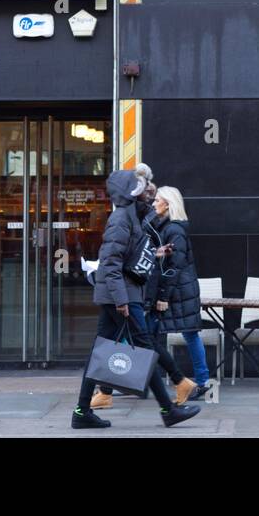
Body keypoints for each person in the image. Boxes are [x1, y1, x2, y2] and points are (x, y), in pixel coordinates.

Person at [72, 168, 200, 430]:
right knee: (146, 349)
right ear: (130, 194)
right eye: (140, 188)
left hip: (121, 295)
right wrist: (122, 302)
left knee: (102, 353)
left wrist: (155, 253)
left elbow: (129, 254)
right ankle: (168, 410)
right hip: (122, 297)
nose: (146, 191)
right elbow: (110, 264)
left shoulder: (131, 216)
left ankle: (81, 412)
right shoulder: (121, 219)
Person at [153, 185, 209, 400]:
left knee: (184, 334)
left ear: (167, 203)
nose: (154, 203)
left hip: (178, 292)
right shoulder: (170, 228)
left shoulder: (174, 230)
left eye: (157, 199)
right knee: (189, 334)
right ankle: (200, 381)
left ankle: (201, 382)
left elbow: (173, 266)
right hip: (181, 289)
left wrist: (163, 296)